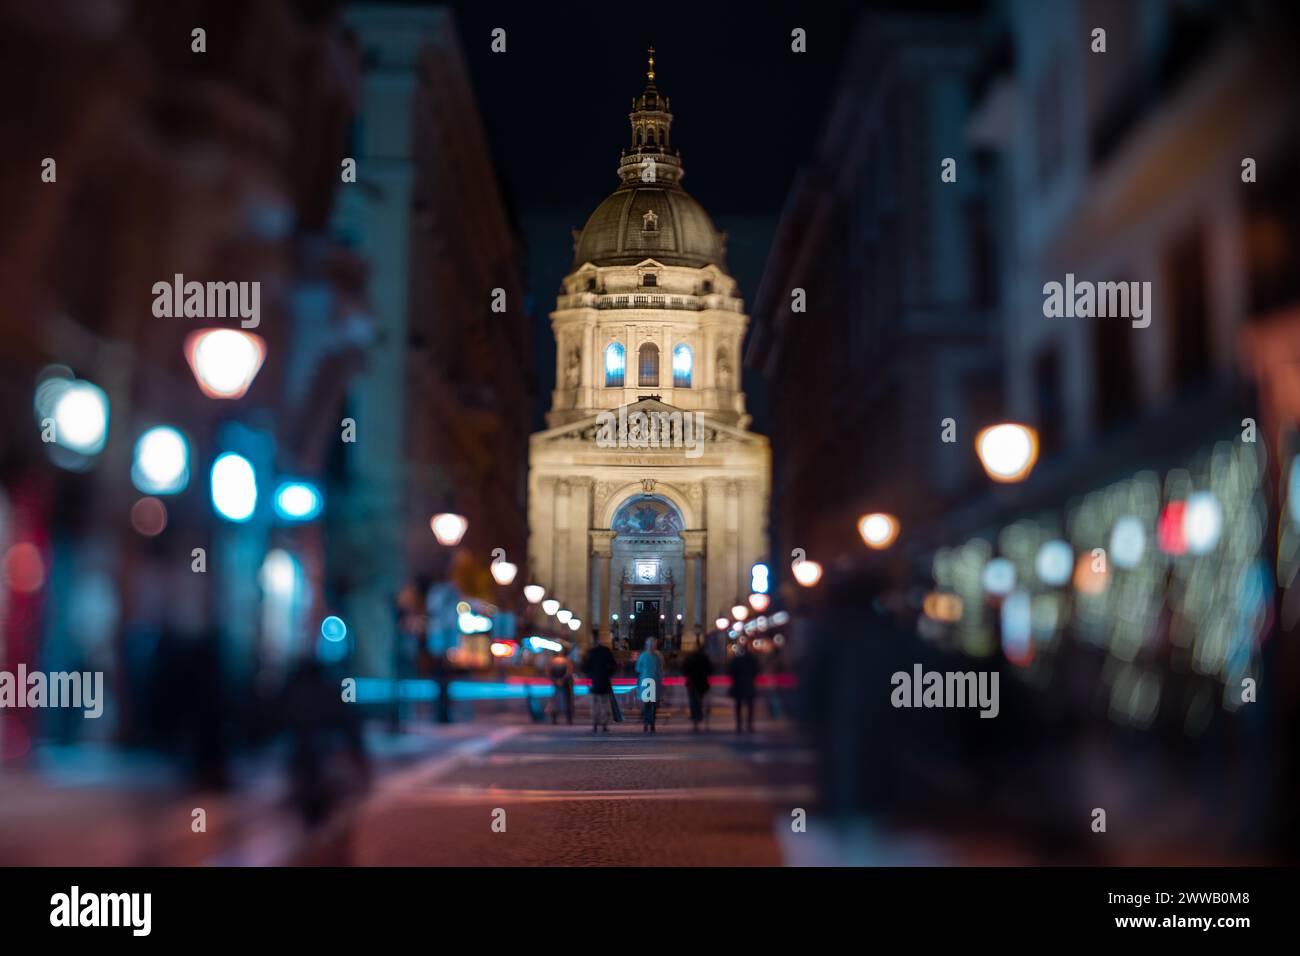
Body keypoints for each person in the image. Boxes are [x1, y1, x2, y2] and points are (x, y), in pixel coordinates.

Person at [581, 634, 617, 733]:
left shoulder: (590, 652)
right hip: (605, 681)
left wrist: (589, 677)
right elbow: (614, 665)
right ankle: (604, 725)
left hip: (593, 682)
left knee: (594, 705)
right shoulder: (606, 651)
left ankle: (595, 725)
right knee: (604, 704)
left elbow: (585, 668)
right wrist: (608, 674)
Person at [680, 642, 714, 732]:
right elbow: (710, 670)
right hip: (702, 682)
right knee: (700, 699)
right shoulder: (704, 657)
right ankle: (698, 716)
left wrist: (687, 675)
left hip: (692, 682)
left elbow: (684, 669)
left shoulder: (690, 657)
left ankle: (695, 717)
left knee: (693, 700)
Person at [727, 644, 760, 733]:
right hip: (749, 685)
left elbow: (731, 671)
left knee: (738, 705)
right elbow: (756, 671)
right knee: (750, 706)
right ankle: (749, 725)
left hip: (738, 685)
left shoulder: (736, 660)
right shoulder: (751, 660)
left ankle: (739, 725)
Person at [635, 638, 665, 733]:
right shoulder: (658, 656)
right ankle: (652, 723)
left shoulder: (643, 656)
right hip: (655, 681)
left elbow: (638, 669)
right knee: (654, 704)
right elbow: (660, 669)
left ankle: (645, 723)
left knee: (646, 704)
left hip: (645, 680)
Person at [548, 650, 575, 725]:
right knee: (567, 701)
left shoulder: (552, 662)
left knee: (555, 701)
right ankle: (568, 719)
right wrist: (563, 680)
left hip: (556, 683)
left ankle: (554, 719)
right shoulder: (567, 661)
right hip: (565, 683)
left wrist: (555, 680)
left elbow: (548, 672)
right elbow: (569, 672)